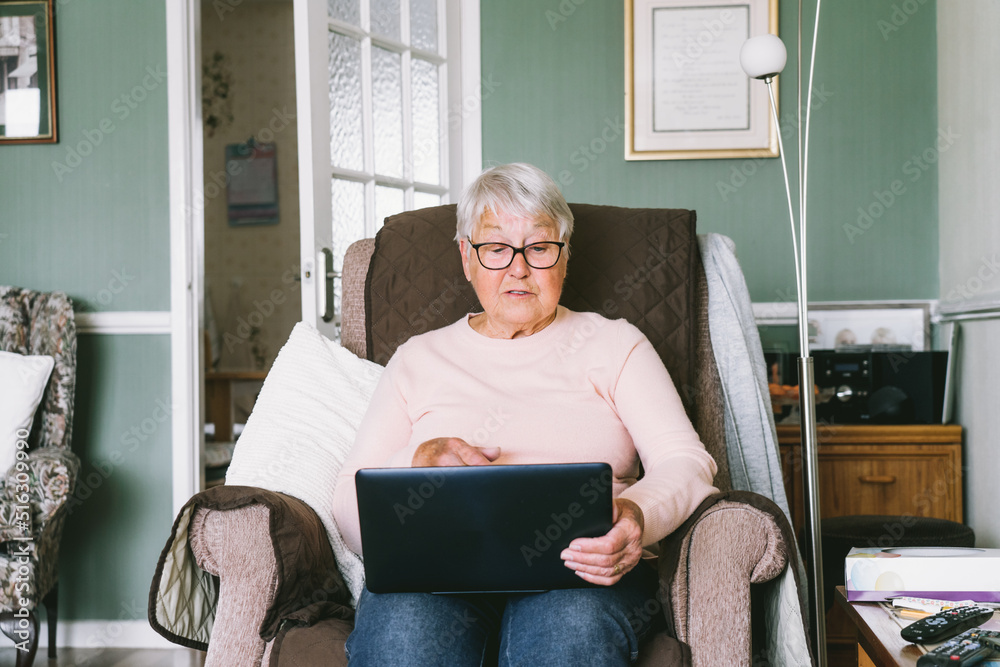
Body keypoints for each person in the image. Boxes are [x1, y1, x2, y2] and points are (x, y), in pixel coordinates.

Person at [332, 162, 719, 666]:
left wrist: (635, 517)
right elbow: (347, 503)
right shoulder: (418, 358)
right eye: (496, 249)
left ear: (563, 258)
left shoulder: (614, 344)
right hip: (438, 574)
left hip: (581, 573)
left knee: (566, 636)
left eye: (538, 248)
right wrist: (417, 458)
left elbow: (686, 461)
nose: (518, 268)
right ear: (467, 257)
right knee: (404, 642)